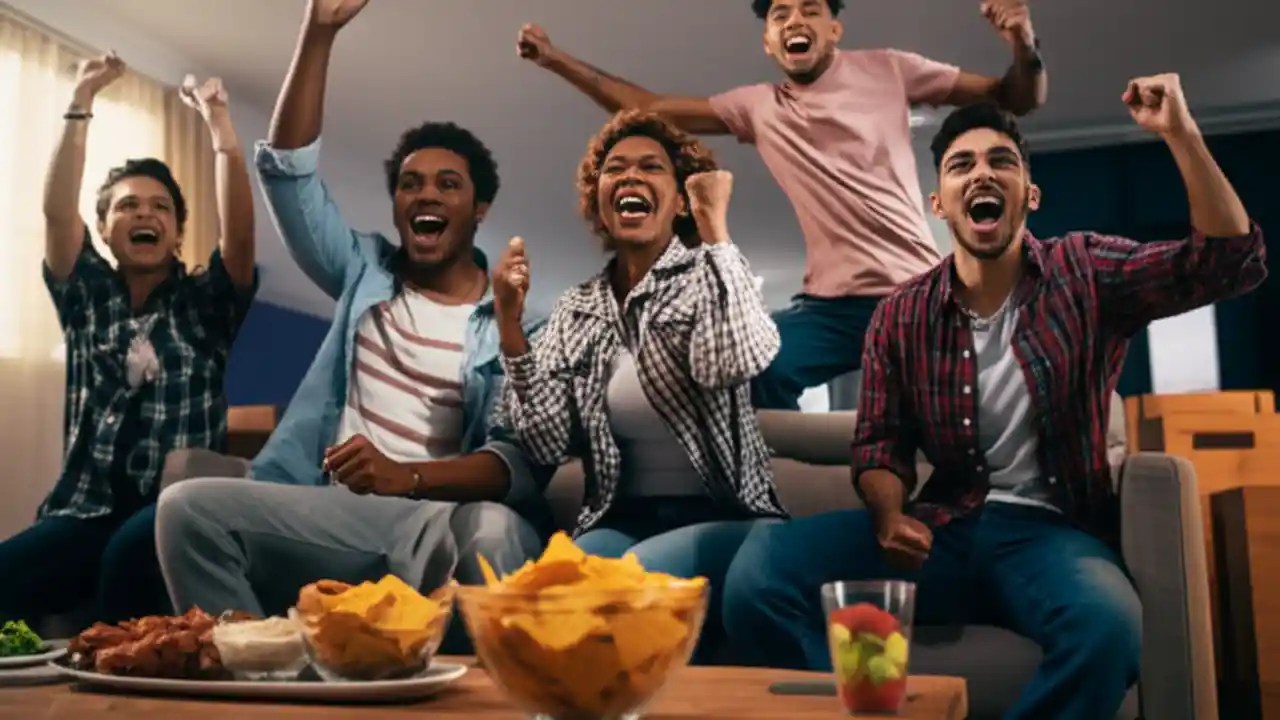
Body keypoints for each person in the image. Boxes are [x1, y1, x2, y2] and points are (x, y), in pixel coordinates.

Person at [720, 78, 1266, 720]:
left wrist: (1181, 132)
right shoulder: (902, 313)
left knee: (1109, 627)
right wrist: (890, 515)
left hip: (1050, 535)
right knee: (757, 575)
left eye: (1001, 161)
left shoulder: (1086, 271)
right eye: (961, 166)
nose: (982, 173)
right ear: (939, 203)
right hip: (942, 527)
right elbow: (880, 444)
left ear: (1029, 193)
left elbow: (1227, 262)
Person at [155, 0, 552, 648]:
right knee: (186, 509)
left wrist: (406, 475)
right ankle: (265, 668)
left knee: (497, 531)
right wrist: (318, 31)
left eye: (447, 184)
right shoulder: (363, 269)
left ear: (480, 208)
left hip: (441, 519)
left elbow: (518, 462)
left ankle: (486, 692)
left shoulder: (516, 320)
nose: (426, 194)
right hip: (331, 512)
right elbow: (288, 174)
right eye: (410, 183)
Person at [515, 0, 1048, 410]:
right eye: (780, 14)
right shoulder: (760, 106)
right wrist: (556, 60)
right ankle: (785, 493)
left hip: (915, 293)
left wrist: (1023, 45)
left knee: (970, 402)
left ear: (834, 29)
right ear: (770, 41)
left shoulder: (889, 69)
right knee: (755, 371)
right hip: (830, 308)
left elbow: (1017, 98)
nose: (796, 20)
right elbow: (649, 109)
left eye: (811, 9)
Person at [492, 110, 786, 661]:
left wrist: (715, 229)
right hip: (621, 519)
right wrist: (510, 326)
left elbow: (735, 360)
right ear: (600, 203)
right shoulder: (577, 307)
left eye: (651, 167)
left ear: (681, 201)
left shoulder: (715, 274)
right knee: (552, 595)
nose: (630, 175)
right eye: (615, 169)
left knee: (619, 586)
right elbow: (545, 443)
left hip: (724, 518)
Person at [0, 54, 258, 625]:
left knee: (126, 555)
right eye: (128, 206)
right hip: (82, 510)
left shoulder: (205, 306)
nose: (146, 214)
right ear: (104, 229)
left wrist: (220, 128)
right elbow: (56, 213)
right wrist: (81, 99)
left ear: (177, 232)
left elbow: (240, 237)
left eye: (161, 207)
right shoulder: (87, 296)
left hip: (174, 512)